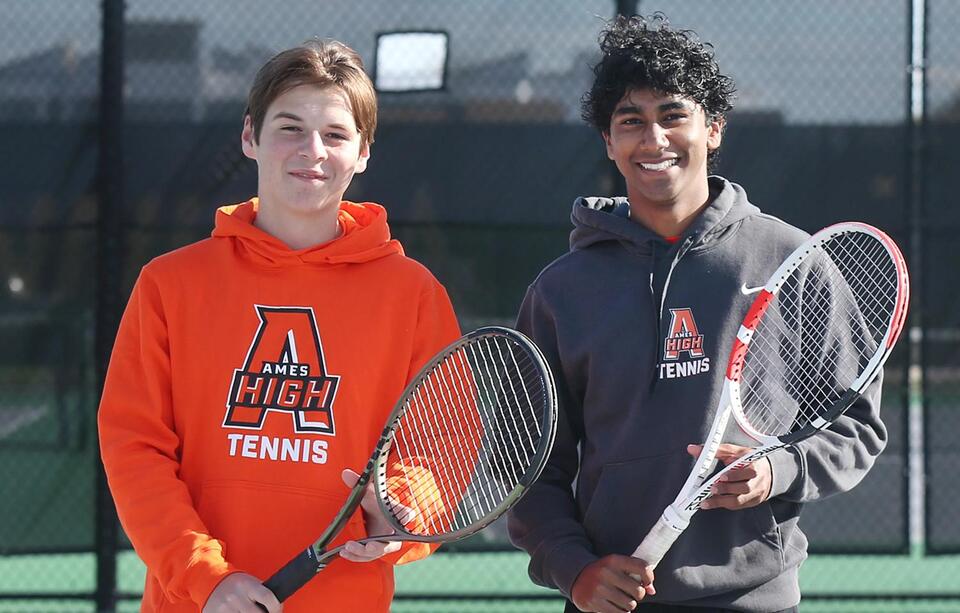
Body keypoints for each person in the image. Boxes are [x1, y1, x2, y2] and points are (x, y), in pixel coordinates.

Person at [507, 14, 886, 613]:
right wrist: (574, 569)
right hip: (611, 596)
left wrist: (777, 471)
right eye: (631, 122)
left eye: (673, 116)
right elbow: (526, 465)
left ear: (713, 129)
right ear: (609, 141)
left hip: (757, 596)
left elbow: (854, 427)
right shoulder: (561, 292)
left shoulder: (792, 260)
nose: (653, 140)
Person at [98, 39, 460, 613]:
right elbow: (133, 448)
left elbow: (441, 452)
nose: (312, 150)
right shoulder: (169, 284)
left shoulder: (414, 294)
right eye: (290, 127)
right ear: (250, 136)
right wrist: (206, 578)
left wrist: (402, 513)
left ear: (364, 152)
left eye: (336, 134)